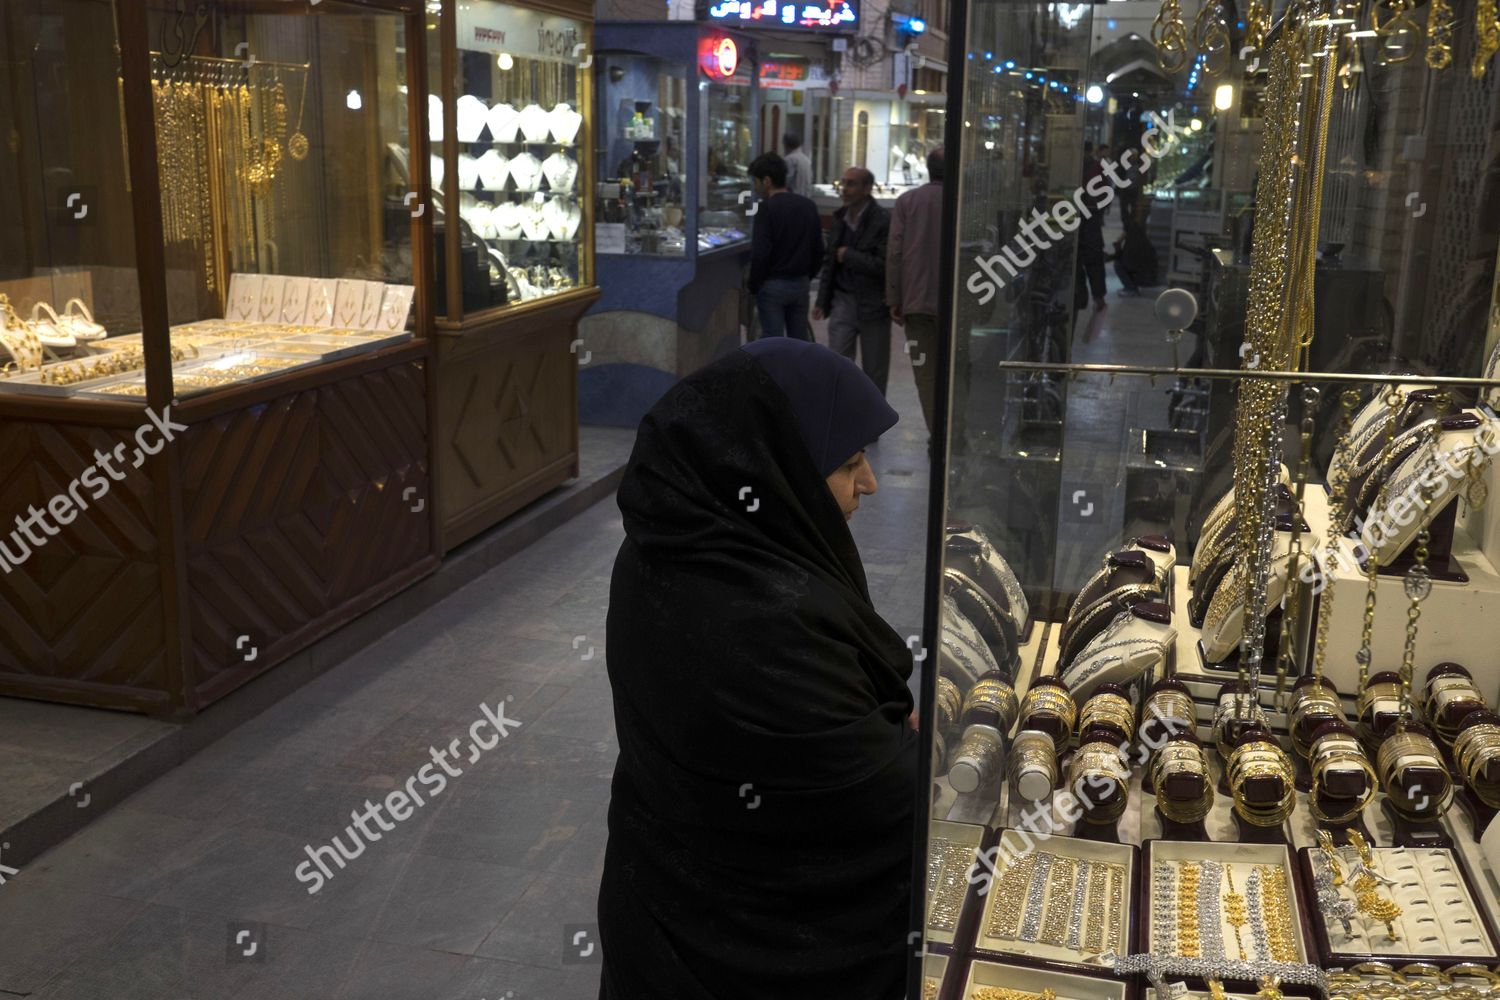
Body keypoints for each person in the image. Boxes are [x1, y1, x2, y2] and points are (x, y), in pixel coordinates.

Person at [598, 336, 917, 1000]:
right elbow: (872, 793)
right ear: (780, 472)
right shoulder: (764, 620)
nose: (869, 483)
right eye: (850, 463)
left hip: (659, 910)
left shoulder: (668, 548)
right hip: (746, 953)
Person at [886, 146, 966, 443]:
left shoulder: (907, 202)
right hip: (957, 305)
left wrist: (894, 298)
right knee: (958, 369)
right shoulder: (964, 201)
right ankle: (956, 432)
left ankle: (938, 434)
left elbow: (894, 252)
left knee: (926, 375)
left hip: (917, 305)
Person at [815, 166, 892, 394]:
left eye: (851, 184)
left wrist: (849, 256)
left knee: (874, 371)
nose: (844, 189)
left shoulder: (882, 220)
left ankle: (873, 426)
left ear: (867, 188)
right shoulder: (840, 218)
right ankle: (841, 422)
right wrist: (822, 300)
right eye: (843, 183)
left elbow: (884, 265)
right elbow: (830, 261)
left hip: (873, 305)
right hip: (842, 300)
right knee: (837, 365)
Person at [747, 151, 824, 340]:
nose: (755, 188)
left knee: (773, 344)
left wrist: (754, 285)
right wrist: (806, 276)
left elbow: (761, 254)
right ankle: (797, 371)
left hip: (772, 286)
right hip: (801, 284)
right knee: (799, 343)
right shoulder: (808, 206)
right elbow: (819, 249)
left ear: (767, 181)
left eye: (755, 182)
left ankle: (776, 371)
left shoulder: (765, 209)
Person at [1108, 203, 1159, 296]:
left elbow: (1125, 259)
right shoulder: (1142, 239)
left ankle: (1131, 289)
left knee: (1118, 264)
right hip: (1148, 275)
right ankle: (1131, 287)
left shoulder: (1133, 244)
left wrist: (1118, 244)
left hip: (1144, 277)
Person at [783, 132, 812, 197]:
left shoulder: (789, 160)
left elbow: (785, 181)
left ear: (786, 145)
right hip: (805, 199)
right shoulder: (806, 160)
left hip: (793, 199)